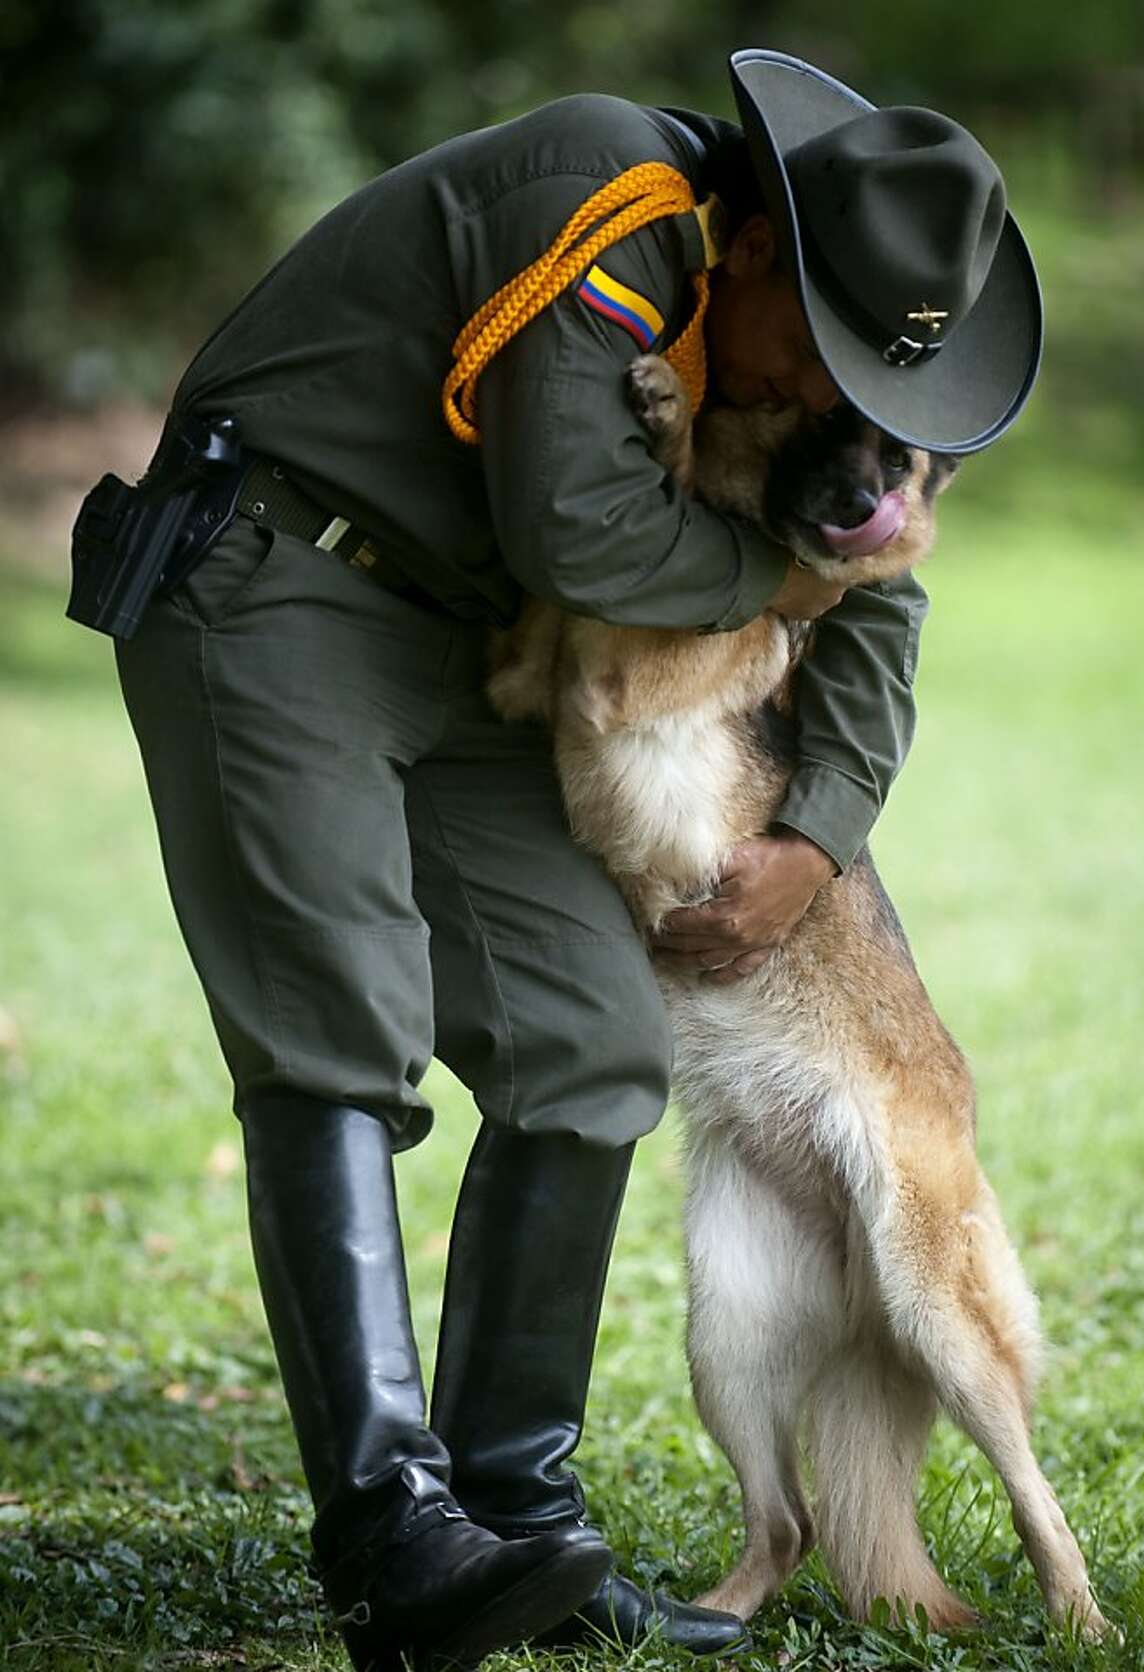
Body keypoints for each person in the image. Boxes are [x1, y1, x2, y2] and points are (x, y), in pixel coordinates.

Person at [107, 47, 1041, 1672]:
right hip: (278, 574)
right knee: (340, 1026)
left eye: (867, 402)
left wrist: (818, 837)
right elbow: (580, 529)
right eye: (819, 369)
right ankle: (397, 1537)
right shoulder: (614, 204)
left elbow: (877, 588)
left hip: (480, 655)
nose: (827, 416)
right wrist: (792, 582)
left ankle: (517, 1524)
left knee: (591, 1047)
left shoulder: (791, 382)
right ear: (757, 250)